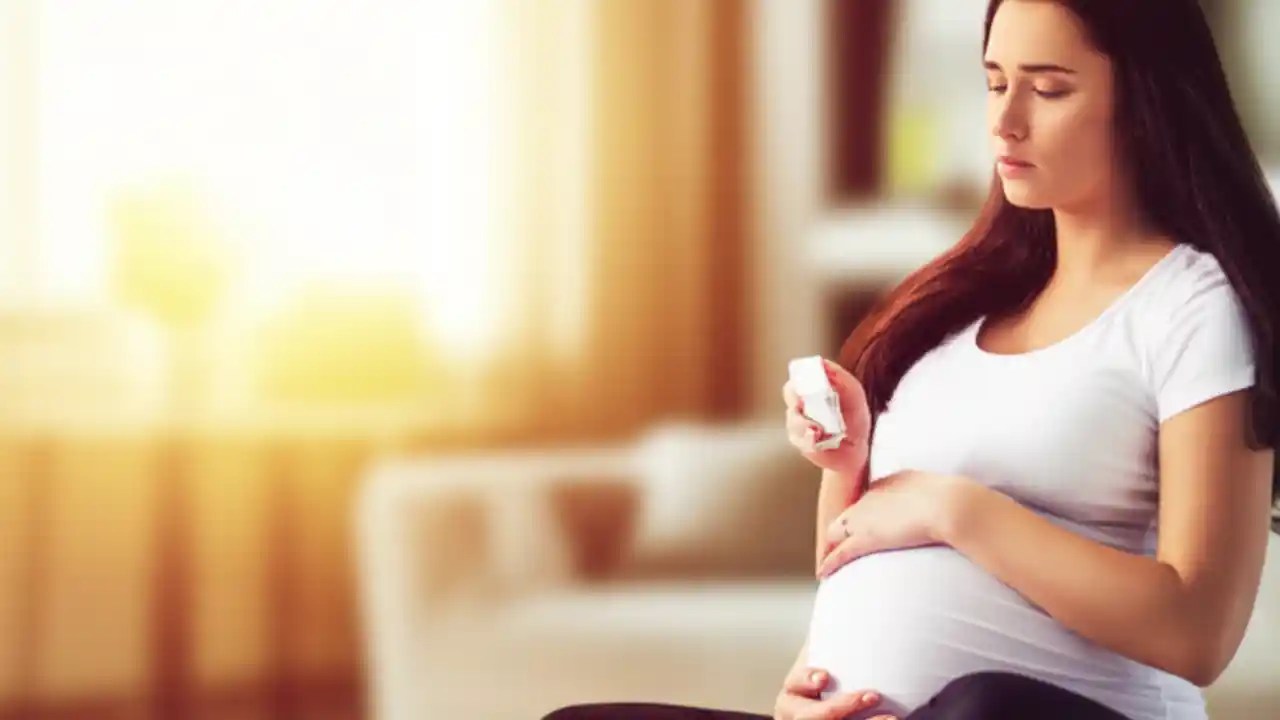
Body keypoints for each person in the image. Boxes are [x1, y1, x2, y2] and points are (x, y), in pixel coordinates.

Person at [541, 0, 1279, 718]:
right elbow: (855, 553)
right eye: (994, 83)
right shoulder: (961, 304)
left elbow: (1198, 631)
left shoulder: (1193, 303)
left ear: (1146, 99)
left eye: (1049, 88)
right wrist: (812, 680)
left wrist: (954, 509)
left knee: (978, 705)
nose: (1004, 120)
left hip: (1033, 713)